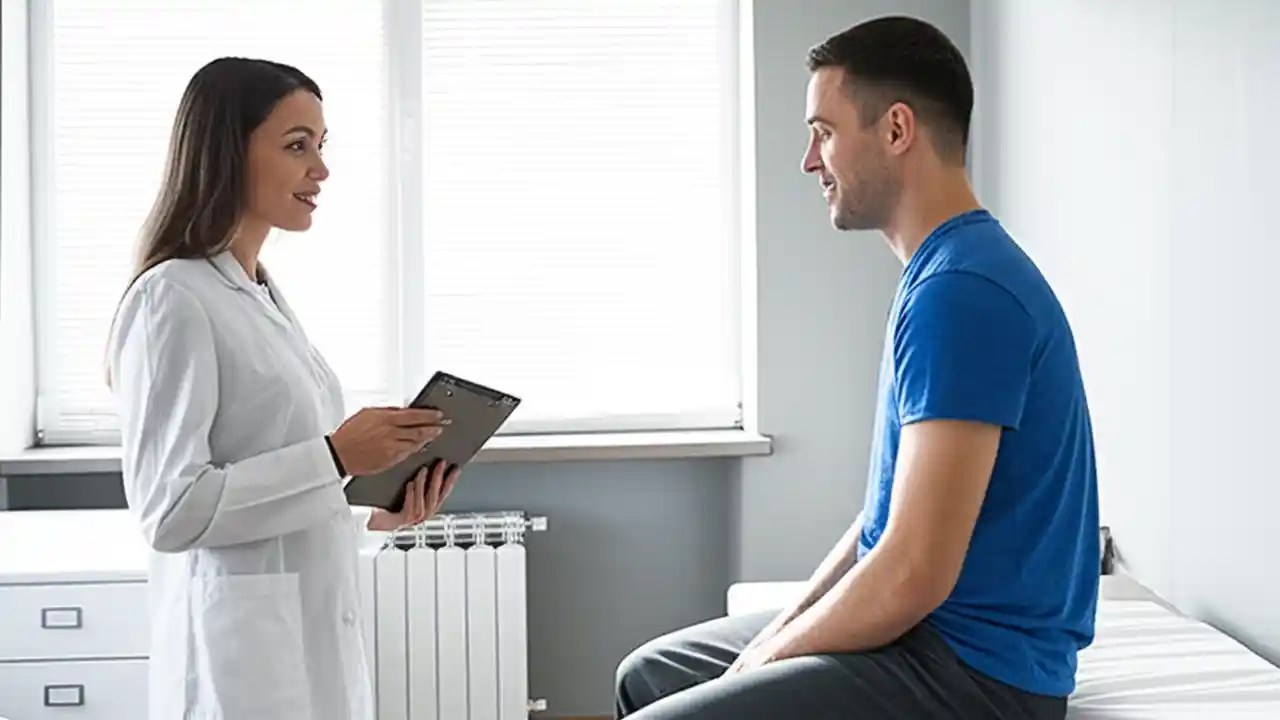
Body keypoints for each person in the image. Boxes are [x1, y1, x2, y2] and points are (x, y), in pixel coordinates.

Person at [615, 15, 1098, 720]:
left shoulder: (965, 293)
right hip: (927, 641)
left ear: (897, 130)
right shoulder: (945, 276)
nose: (810, 160)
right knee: (649, 676)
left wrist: (764, 661)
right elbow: (883, 528)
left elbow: (913, 573)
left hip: (976, 675)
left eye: (825, 132)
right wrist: (782, 632)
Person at [105, 57, 459, 719]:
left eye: (321, 147)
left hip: (305, 637)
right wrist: (336, 457)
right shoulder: (173, 298)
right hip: (241, 661)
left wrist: (374, 513)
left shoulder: (258, 290)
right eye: (297, 146)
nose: (320, 170)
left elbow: (273, 480)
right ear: (224, 153)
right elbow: (171, 511)